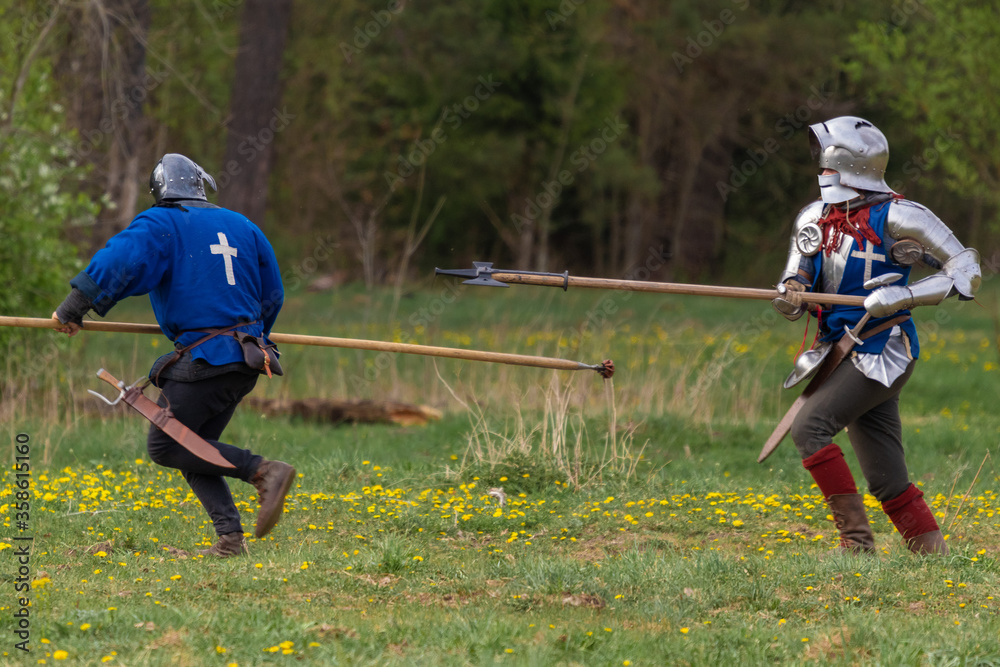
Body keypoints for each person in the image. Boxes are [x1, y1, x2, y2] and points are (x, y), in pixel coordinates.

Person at [52, 153, 295, 558]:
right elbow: (275, 295)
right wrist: (253, 339)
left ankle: (263, 471)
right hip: (249, 358)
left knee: (166, 447)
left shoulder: (162, 223)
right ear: (199, 186)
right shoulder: (244, 226)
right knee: (194, 443)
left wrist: (74, 306)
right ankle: (230, 539)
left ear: (160, 192)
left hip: (207, 360)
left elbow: (121, 260)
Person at [772, 117, 980, 555]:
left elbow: (966, 271)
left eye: (829, 163)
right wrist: (792, 293)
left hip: (882, 347)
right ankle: (933, 555)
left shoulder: (902, 215)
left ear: (849, 164)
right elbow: (799, 273)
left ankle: (857, 545)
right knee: (886, 477)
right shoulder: (815, 215)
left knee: (810, 428)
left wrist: (903, 294)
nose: (822, 171)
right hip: (834, 348)